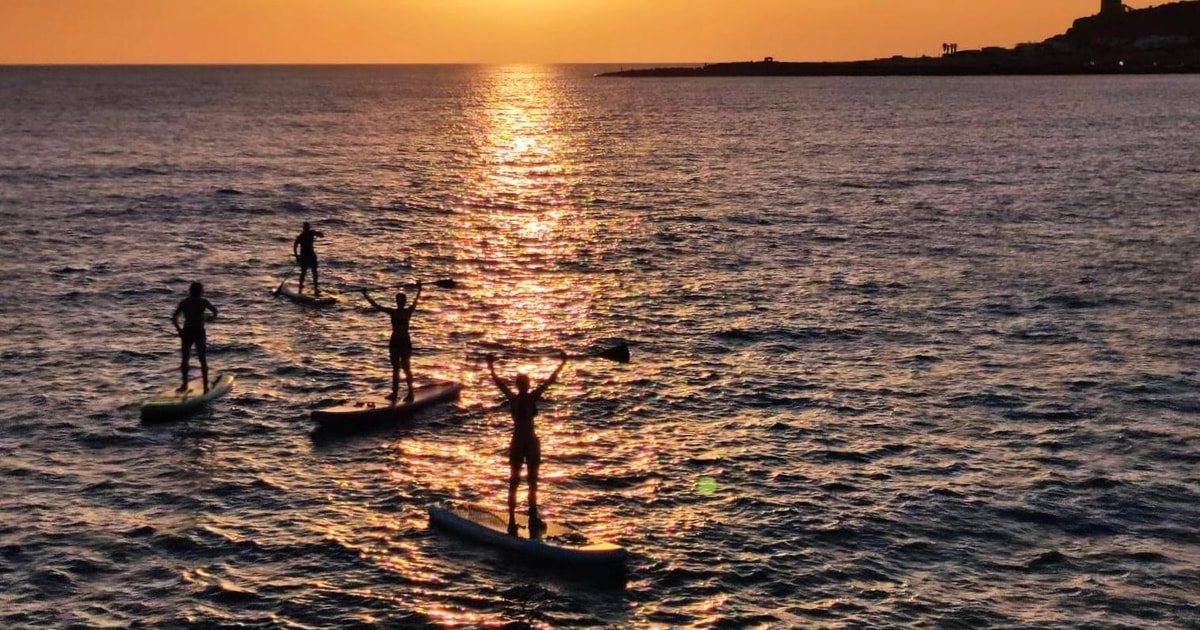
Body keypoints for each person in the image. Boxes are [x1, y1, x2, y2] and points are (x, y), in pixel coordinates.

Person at [486, 351, 568, 533]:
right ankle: (530, 518)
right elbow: (549, 381)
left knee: (516, 481)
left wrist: (490, 367)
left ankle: (514, 519)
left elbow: (498, 382)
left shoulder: (513, 398)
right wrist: (562, 364)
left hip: (518, 442)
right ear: (526, 385)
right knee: (530, 481)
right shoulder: (530, 398)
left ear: (518, 385)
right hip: (529, 442)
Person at [361, 282, 422, 401]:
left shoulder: (405, 312)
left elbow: (416, 299)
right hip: (395, 342)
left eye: (400, 301)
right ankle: (395, 393)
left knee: (405, 368)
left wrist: (420, 289)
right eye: (398, 300)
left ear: (402, 302)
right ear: (398, 302)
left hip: (403, 342)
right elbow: (376, 306)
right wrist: (365, 295)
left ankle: (410, 393)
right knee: (396, 368)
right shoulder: (396, 312)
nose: (399, 302)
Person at [171, 281, 218, 393]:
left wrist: (179, 330)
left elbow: (174, 318)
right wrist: (211, 318)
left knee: (188, 359)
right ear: (198, 291)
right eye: (200, 290)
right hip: (195, 332)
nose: (201, 292)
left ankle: (188, 385)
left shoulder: (185, 303)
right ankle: (201, 386)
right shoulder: (202, 302)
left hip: (189, 332)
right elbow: (215, 312)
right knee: (197, 359)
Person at [293, 221, 324, 295]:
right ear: (303, 228)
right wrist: (297, 257)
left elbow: (321, 235)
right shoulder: (301, 236)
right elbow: (295, 246)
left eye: (308, 227)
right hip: (304, 256)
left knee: (314, 272)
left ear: (308, 227)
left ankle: (315, 289)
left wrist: (319, 234)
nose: (307, 228)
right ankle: (300, 289)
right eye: (306, 227)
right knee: (303, 272)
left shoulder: (311, 233)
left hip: (311, 255)